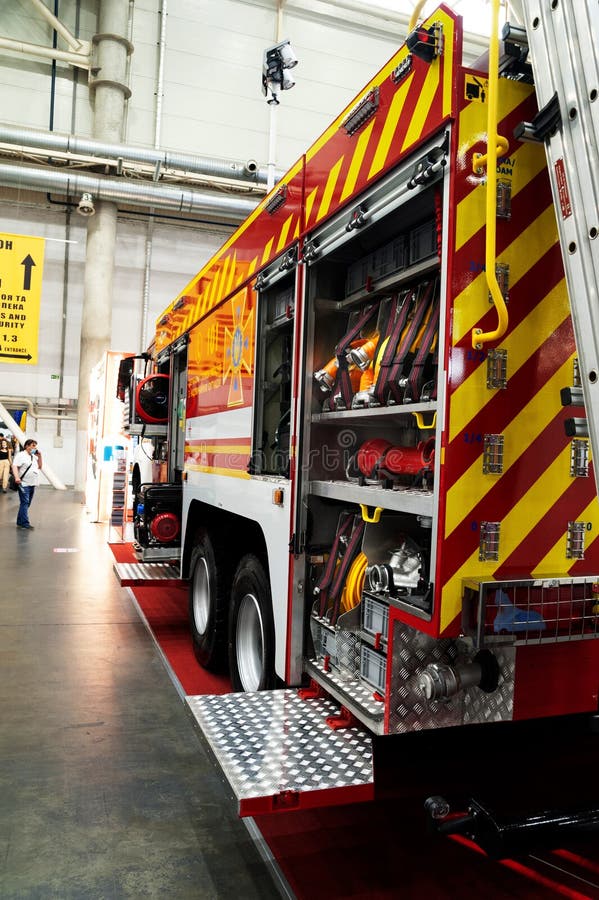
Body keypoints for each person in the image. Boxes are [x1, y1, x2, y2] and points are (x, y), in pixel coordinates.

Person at [12, 439, 43, 530]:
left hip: (32, 484)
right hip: (23, 483)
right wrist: (17, 477)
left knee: (26, 503)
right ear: (27, 446)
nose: (35, 448)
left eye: (35, 446)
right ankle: (25, 523)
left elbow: (40, 466)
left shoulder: (33, 456)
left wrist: (40, 456)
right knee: (25, 502)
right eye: (33, 446)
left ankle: (20, 521)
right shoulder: (21, 455)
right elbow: (14, 466)